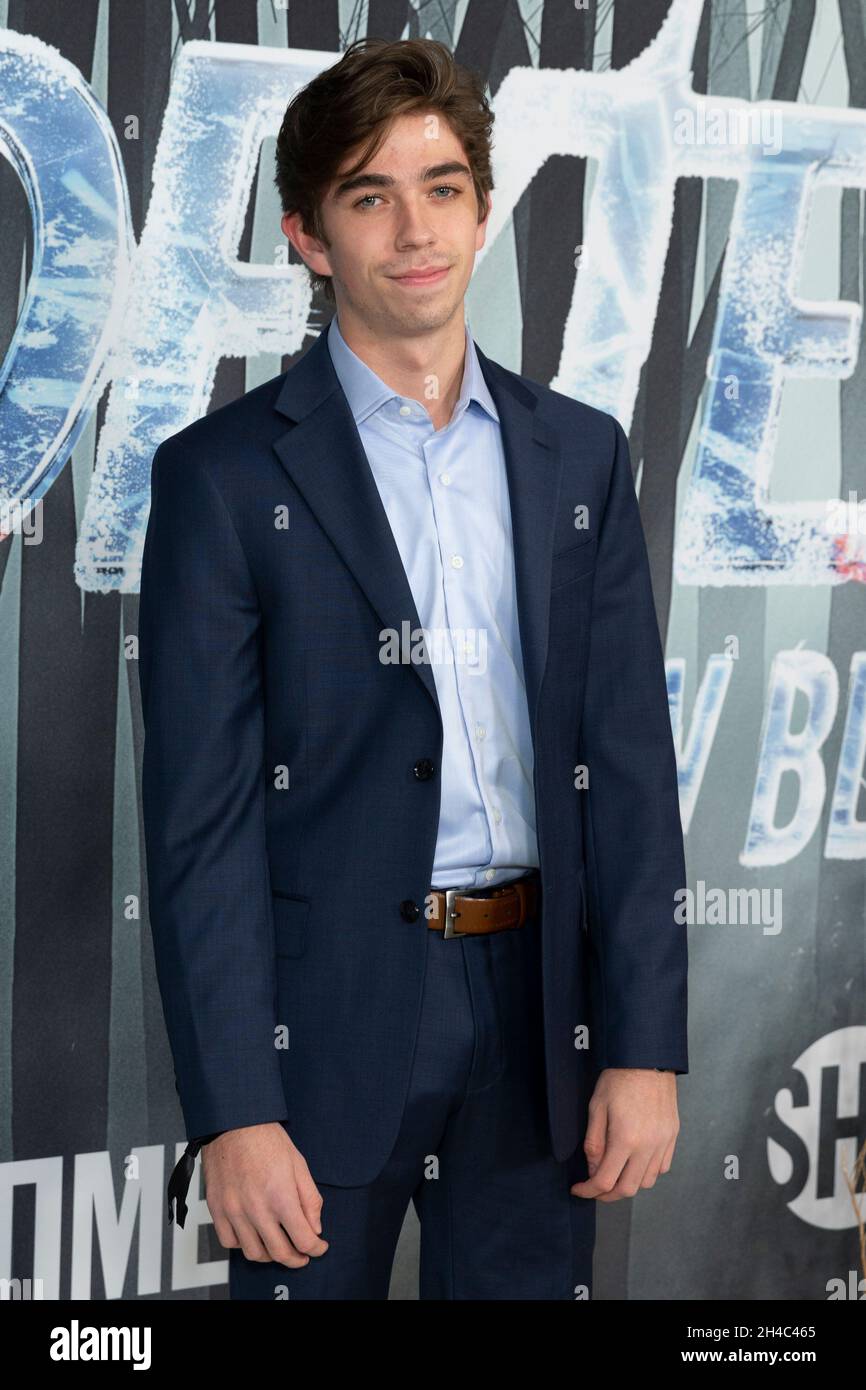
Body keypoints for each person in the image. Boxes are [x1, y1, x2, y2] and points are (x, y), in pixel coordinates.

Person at [138, 35, 688, 1301]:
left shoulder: (580, 459)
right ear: (308, 237)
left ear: (484, 211)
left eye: (441, 186)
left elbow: (630, 773)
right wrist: (233, 1108)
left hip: (541, 1019)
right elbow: (200, 824)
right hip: (321, 1029)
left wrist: (644, 1045)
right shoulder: (222, 480)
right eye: (368, 195)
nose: (414, 227)